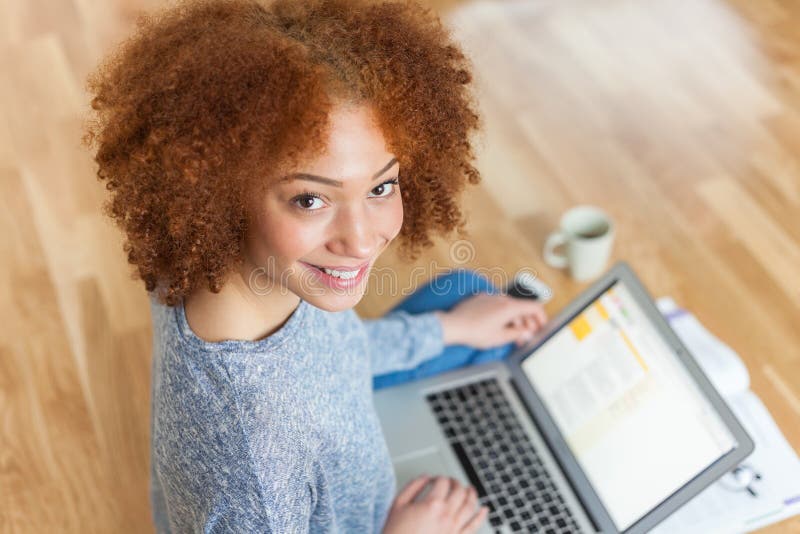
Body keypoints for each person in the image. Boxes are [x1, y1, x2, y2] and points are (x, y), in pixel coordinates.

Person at [84, 0, 547, 532]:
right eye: (310, 200)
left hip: (334, 417)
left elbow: (332, 354)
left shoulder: (250, 271)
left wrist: (452, 328)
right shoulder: (252, 474)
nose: (361, 240)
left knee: (467, 292)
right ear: (218, 195)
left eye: (381, 186)